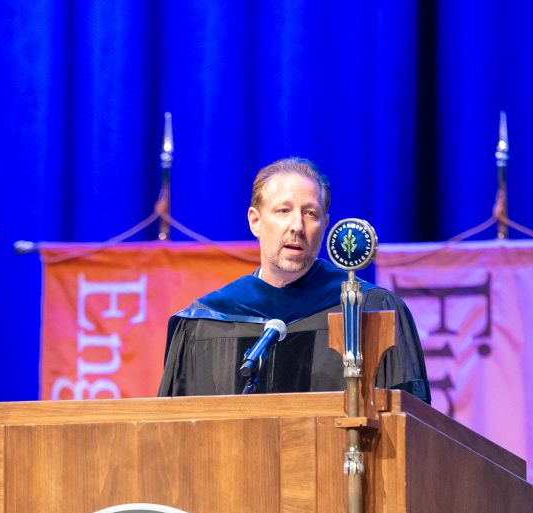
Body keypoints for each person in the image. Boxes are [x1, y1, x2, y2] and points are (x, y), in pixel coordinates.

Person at [157, 156, 430, 400]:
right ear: (255, 221)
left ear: (324, 224)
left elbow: (410, 427)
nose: (297, 226)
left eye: (310, 213)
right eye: (283, 211)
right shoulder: (204, 322)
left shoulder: (370, 310)